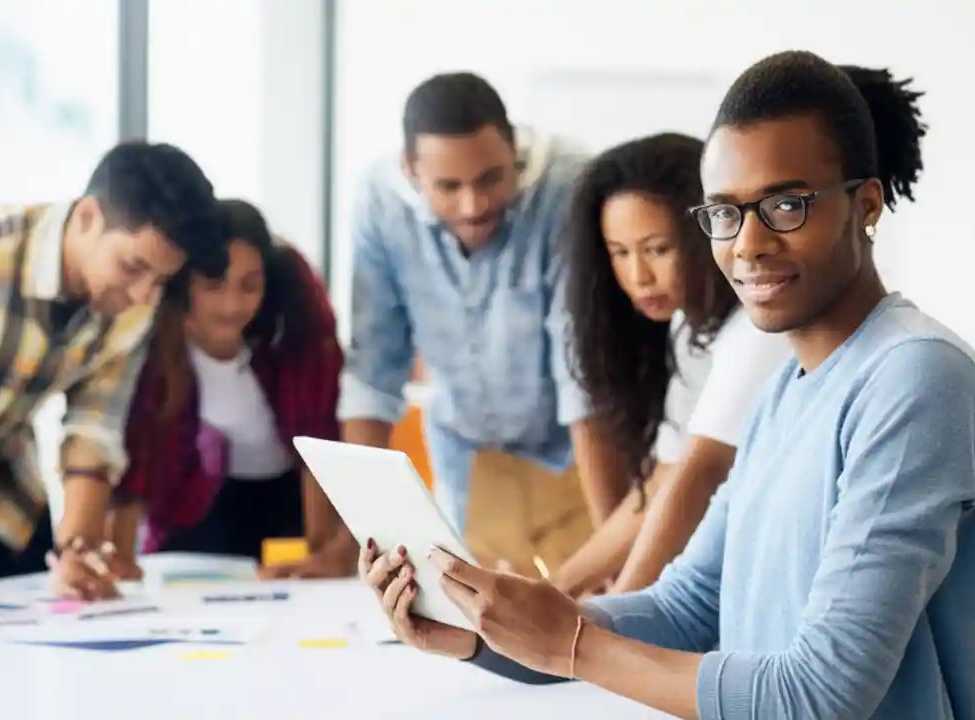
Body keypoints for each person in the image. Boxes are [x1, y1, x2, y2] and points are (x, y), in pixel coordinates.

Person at [359, 51, 975, 720]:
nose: (748, 243)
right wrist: (481, 634)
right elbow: (686, 608)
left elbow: (820, 694)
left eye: (785, 205)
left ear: (866, 205)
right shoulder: (782, 392)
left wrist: (572, 645)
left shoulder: (916, 376)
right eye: (725, 213)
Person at [270, 72, 610, 580]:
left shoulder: (570, 185)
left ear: (513, 151)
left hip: (577, 457)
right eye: (449, 187)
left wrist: (614, 540)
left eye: (491, 178)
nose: (474, 205)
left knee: (588, 601)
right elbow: (373, 373)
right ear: (411, 170)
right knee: (465, 607)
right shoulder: (380, 202)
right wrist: (355, 537)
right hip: (467, 456)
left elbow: (581, 370)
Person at [0, 141, 224, 598]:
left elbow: (94, 427)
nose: (143, 295)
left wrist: (79, 550)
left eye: (161, 280)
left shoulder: (133, 304)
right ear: (88, 217)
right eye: (133, 266)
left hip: (1, 492)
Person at [546, 132, 793, 598]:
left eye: (658, 249)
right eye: (620, 253)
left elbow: (694, 477)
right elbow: (661, 479)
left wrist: (607, 610)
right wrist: (558, 589)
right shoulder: (687, 323)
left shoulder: (755, 330)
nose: (638, 276)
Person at [108, 200, 342, 573]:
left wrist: (320, 554)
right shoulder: (153, 342)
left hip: (289, 498)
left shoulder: (293, 332)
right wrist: (119, 560)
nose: (232, 305)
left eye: (250, 286)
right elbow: (136, 455)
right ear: (184, 283)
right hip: (195, 501)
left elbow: (319, 442)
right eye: (214, 286)